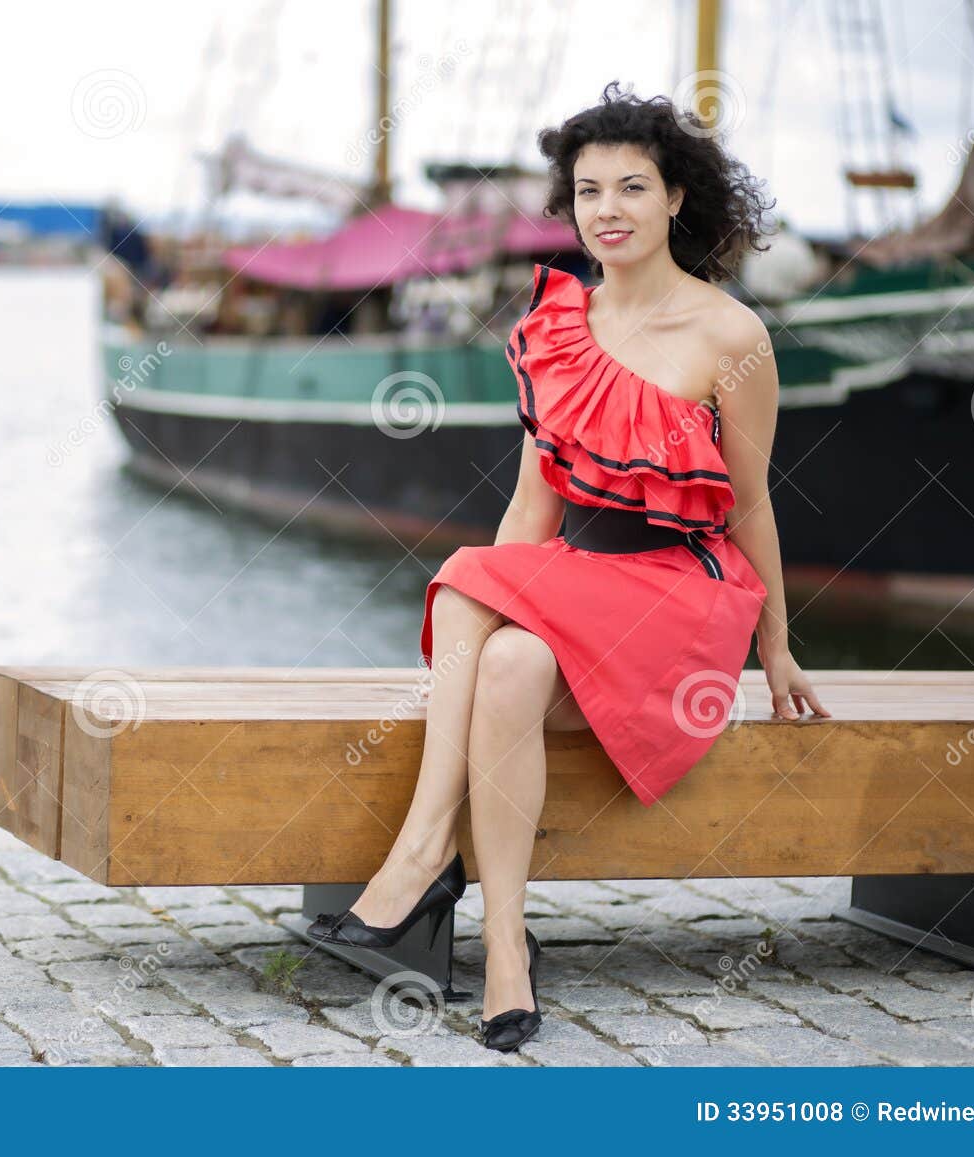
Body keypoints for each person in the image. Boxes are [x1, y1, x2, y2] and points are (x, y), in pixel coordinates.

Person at [308, 82, 831, 1053]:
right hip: (576, 589)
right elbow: (531, 505)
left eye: (632, 187)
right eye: (588, 190)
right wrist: (507, 609)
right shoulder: (555, 324)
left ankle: (422, 850)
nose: (608, 210)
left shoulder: (731, 337)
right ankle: (506, 945)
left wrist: (780, 646)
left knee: (466, 573)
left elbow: (752, 502)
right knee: (503, 657)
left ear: (677, 198)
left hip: (681, 590)